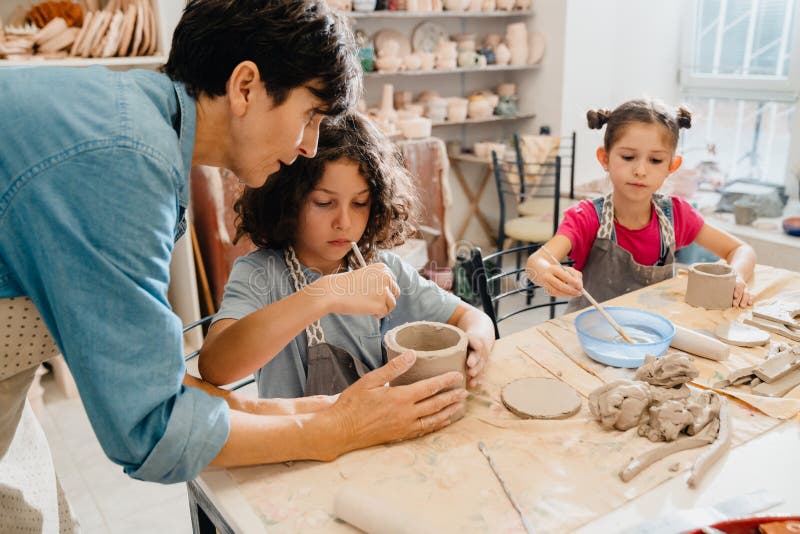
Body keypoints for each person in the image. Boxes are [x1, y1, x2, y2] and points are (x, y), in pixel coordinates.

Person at [0, 0, 465, 529]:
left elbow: (163, 382)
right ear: (245, 87)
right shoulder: (126, 160)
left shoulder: (137, 124)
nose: (309, 146)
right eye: (310, 116)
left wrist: (316, 413)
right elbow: (152, 428)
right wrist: (333, 432)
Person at [197, 112, 495, 397]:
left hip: (372, 438)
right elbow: (214, 367)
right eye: (324, 203)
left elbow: (470, 316)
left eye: (360, 203)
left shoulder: (381, 268)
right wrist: (326, 294)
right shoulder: (261, 273)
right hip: (298, 444)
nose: (344, 222)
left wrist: (478, 338)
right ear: (287, 200)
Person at [525, 99, 756, 313]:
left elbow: (741, 250)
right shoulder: (587, 217)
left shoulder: (676, 214)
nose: (640, 171)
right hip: (588, 337)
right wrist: (546, 272)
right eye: (627, 157)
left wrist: (736, 277)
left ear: (671, 166)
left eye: (655, 160)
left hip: (651, 335)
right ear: (605, 159)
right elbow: (535, 262)